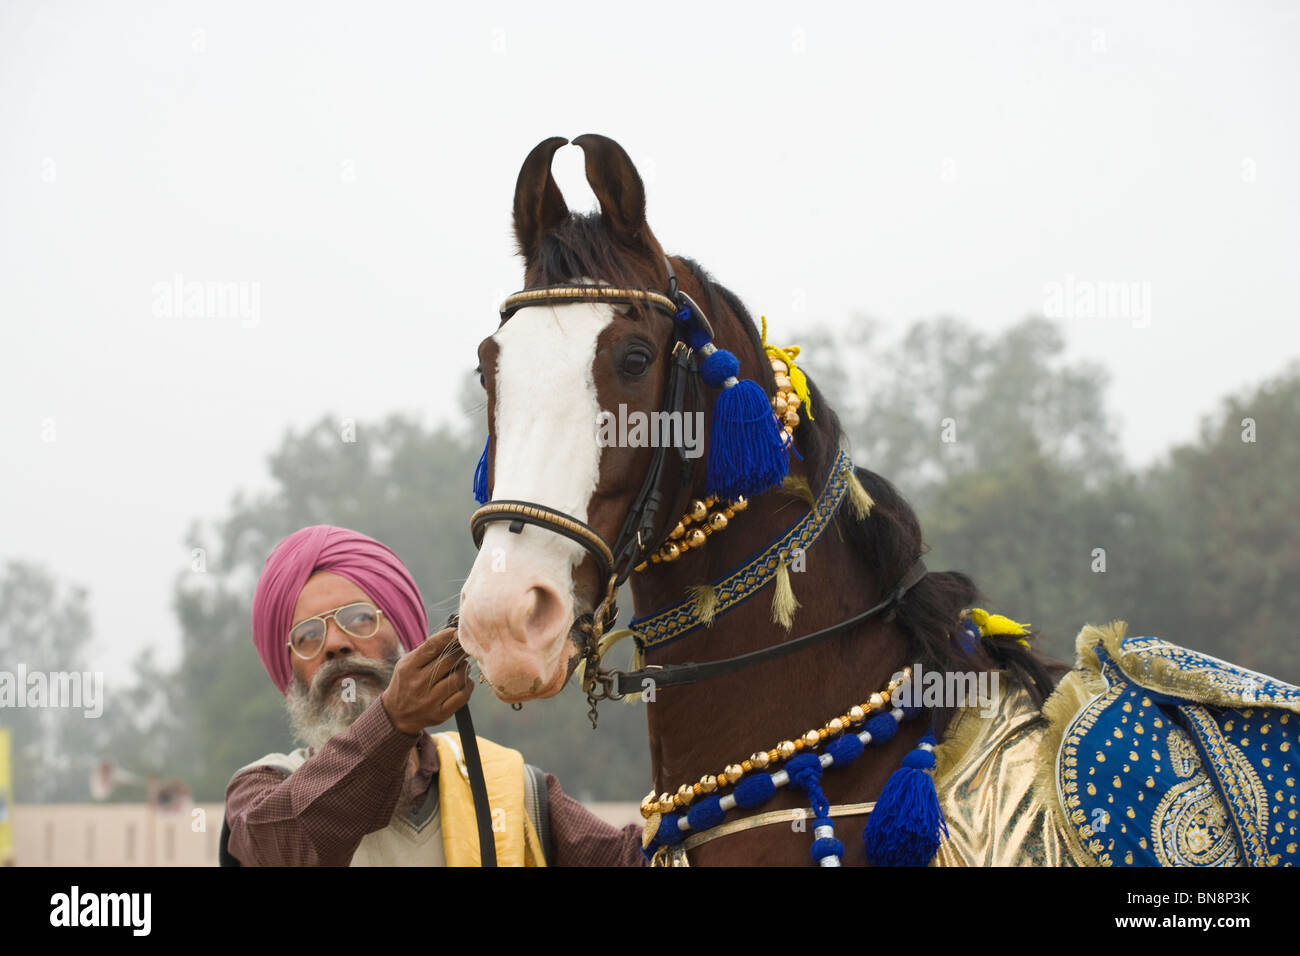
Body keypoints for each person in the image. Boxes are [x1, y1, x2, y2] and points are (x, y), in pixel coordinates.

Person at [222, 524, 645, 866]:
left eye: (358, 618)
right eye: (308, 635)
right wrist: (393, 721)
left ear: (406, 634)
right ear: (289, 671)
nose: (334, 643)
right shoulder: (262, 792)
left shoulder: (507, 787)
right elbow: (283, 849)